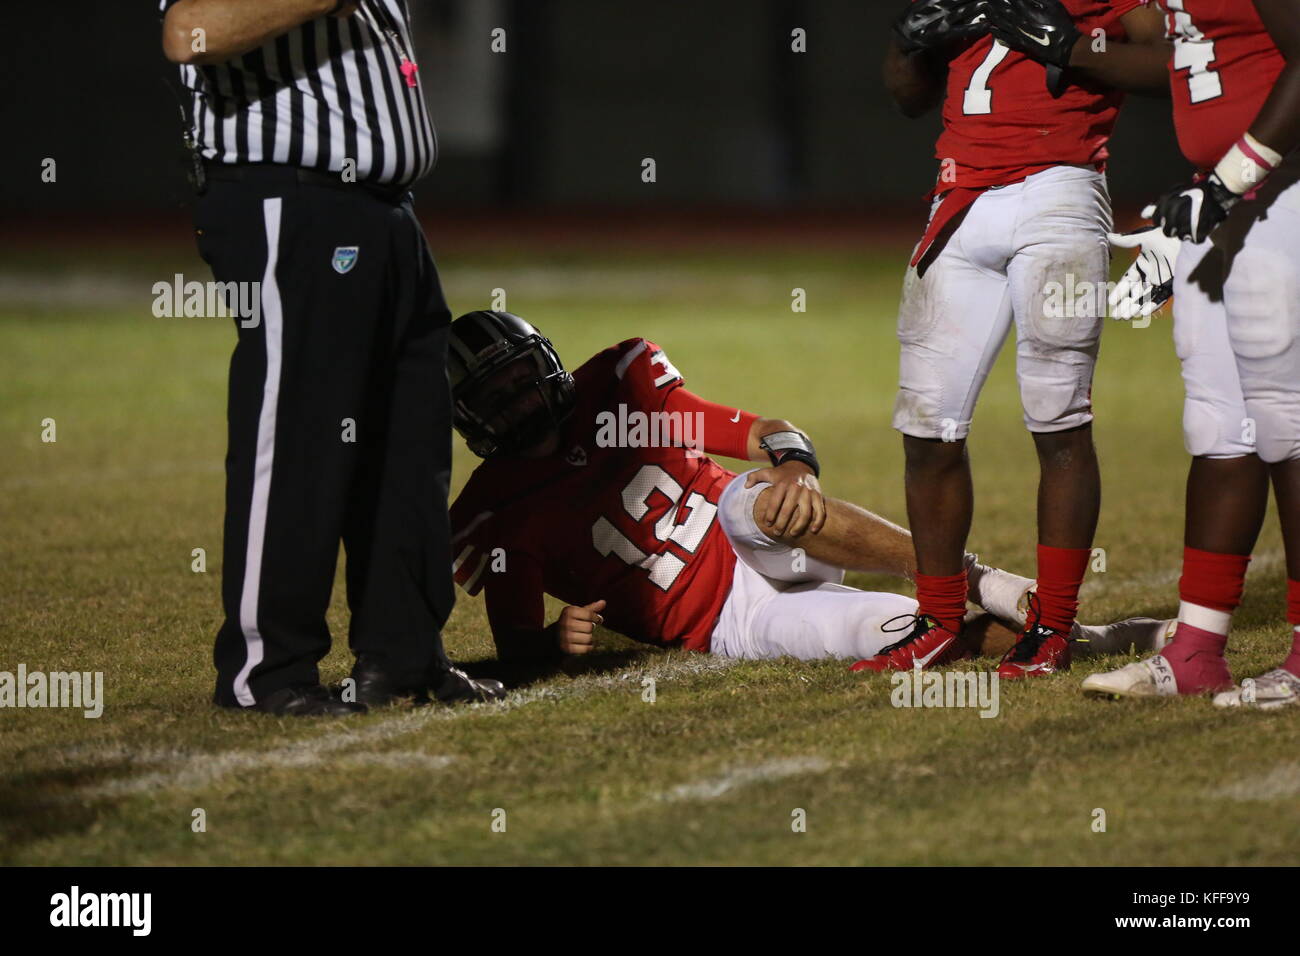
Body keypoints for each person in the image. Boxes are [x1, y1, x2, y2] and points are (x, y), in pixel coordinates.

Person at [445, 311, 1170, 665]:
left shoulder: (621, 383)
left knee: (760, 499)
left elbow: (767, 434)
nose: (519, 400)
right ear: (473, 420)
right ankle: (1092, 640)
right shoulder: (494, 508)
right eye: (497, 395)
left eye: (519, 377)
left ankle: (969, 576)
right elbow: (515, 649)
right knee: (890, 635)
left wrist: (797, 464)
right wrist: (554, 642)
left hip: (747, 532)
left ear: (545, 361)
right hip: (725, 624)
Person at [159, 0, 503, 715]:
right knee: (300, 439)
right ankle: (268, 671)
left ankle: (403, 654)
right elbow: (189, 32)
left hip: (381, 206)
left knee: (407, 442)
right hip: (291, 196)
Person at [873, 0, 1169, 678]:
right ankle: (940, 619)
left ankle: (1055, 626)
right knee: (927, 424)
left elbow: (1167, 64)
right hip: (959, 198)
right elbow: (910, 97)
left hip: (1060, 192)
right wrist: (906, 42)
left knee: (1058, 419)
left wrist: (1075, 49)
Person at [1078, 0, 1300, 709]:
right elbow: (1182, 56)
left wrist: (1228, 179)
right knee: (1218, 428)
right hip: (1222, 199)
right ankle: (1197, 650)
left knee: (1288, 430)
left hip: (1280, 189)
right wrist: (1068, 46)